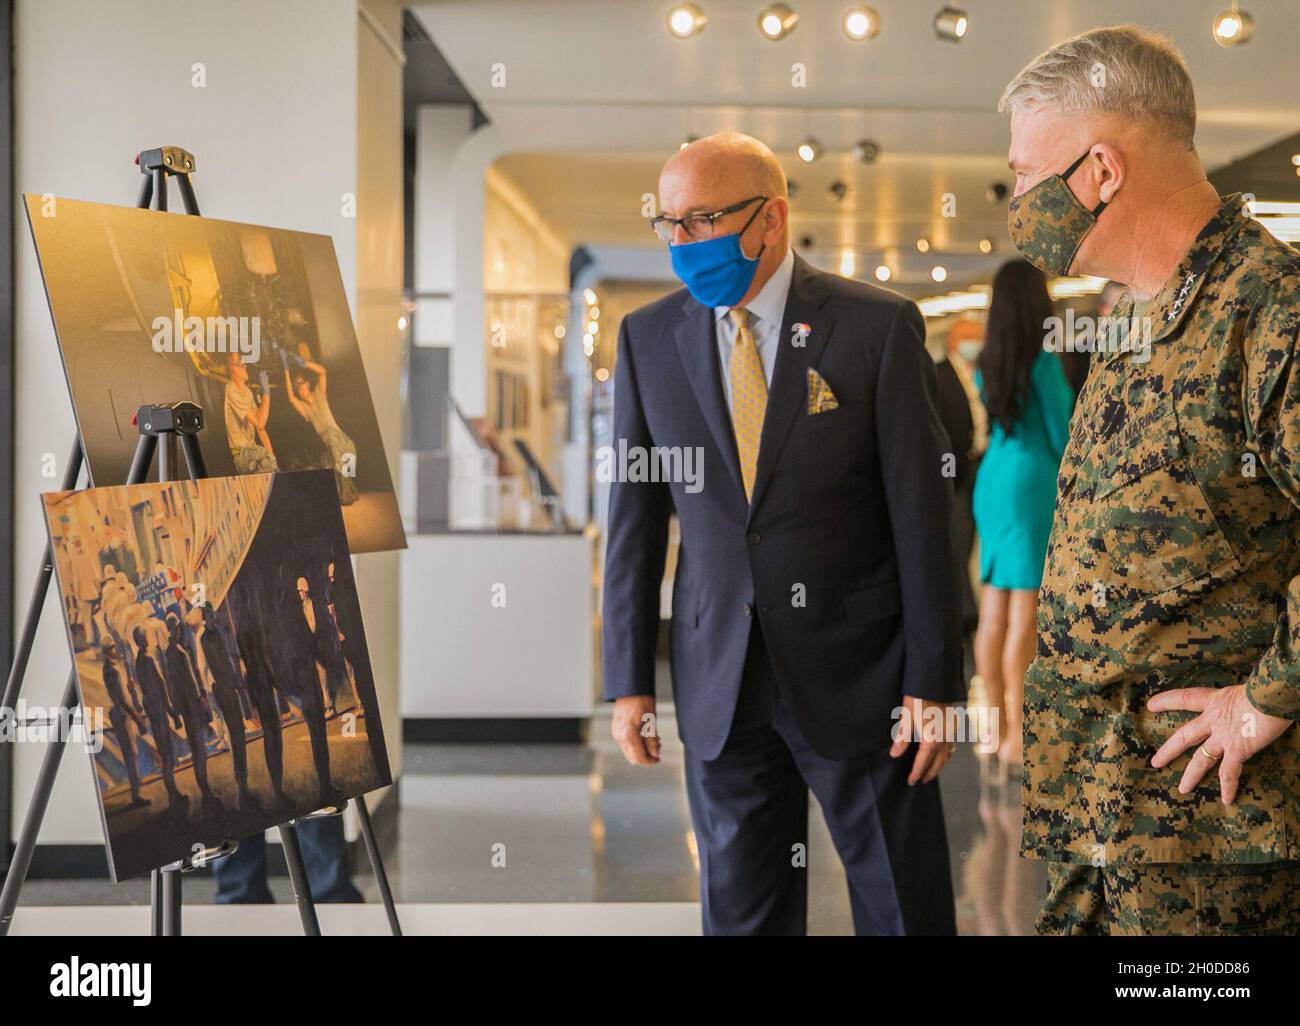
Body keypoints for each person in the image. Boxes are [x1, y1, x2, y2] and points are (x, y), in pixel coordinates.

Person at [603, 132, 963, 936]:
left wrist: (936, 683)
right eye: (668, 225)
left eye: (699, 221)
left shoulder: (875, 327)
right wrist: (628, 681)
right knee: (741, 914)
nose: (681, 243)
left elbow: (923, 513)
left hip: (863, 677)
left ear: (770, 219)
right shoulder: (649, 338)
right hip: (718, 682)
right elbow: (633, 516)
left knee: (902, 905)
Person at [1001, 25, 1300, 935]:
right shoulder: (1137, 320)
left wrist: (1266, 699)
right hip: (1099, 818)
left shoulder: (1267, 309)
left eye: (1021, 175)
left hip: (1212, 849)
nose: (1014, 199)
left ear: (1100, 171)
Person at [971, 260, 1073, 768]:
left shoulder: (985, 360)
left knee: (994, 603)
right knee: (1026, 612)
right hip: (1033, 483)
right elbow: (1063, 435)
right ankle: (1020, 734)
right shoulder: (1044, 364)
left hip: (992, 479)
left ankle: (995, 724)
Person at [198, 605, 259, 812]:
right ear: (206, 617)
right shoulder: (209, 639)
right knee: (236, 735)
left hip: (224, 688)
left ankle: (244, 787)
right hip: (223, 689)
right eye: (211, 614)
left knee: (238, 735)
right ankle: (242, 790)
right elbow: (215, 668)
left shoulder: (212, 637)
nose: (215, 616)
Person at [281, 352, 359, 505]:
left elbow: (323, 372)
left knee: (350, 455)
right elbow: (291, 398)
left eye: (302, 383)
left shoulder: (319, 393)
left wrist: (304, 363)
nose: (300, 388)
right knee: (337, 461)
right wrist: (286, 370)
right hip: (329, 440)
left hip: (341, 437)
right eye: (298, 387)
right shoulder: (304, 409)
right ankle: (345, 495)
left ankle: (350, 489)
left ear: (308, 384)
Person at [162, 613, 216, 805]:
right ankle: (205, 791)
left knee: (198, 749)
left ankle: (206, 789)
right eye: (177, 628)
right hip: (191, 706)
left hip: (188, 706)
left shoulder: (173, 650)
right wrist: (199, 700)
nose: (179, 630)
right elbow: (187, 681)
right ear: (173, 629)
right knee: (199, 749)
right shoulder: (175, 651)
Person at [133, 624, 183, 808]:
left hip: (152, 709)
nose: (147, 638)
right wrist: (171, 710)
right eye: (144, 636)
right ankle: (173, 794)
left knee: (164, 750)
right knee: (167, 751)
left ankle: (173, 792)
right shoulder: (147, 659)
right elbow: (160, 686)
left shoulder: (138, 661)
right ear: (141, 640)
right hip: (159, 709)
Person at [100, 638, 146, 807]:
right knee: (131, 756)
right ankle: (136, 795)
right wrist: (138, 719)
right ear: (108, 650)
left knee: (129, 755)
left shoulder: (107, 668)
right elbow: (122, 699)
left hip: (117, 714)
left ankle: (136, 793)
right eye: (113, 647)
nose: (115, 649)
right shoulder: (113, 669)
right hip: (123, 715)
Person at [224, 352, 277, 473]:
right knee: (264, 463)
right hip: (242, 454)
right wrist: (266, 394)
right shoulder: (232, 391)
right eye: (240, 363)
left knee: (269, 463)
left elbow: (261, 429)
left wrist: (273, 460)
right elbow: (260, 423)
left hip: (252, 450)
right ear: (232, 368)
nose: (245, 366)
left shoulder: (247, 392)